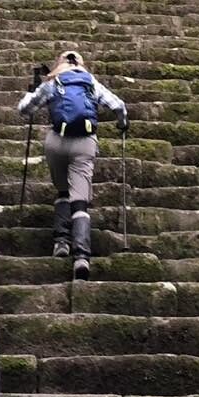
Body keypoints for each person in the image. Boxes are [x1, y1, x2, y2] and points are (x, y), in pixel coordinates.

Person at [17, 47, 128, 281]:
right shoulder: (90, 83)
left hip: (56, 141)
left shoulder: (52, 83)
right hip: (84, 142)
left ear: (59, 63)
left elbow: (24, 110)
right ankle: (81, 257)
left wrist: (32, 92)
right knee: (80, 199)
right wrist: (122, 124)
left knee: (63, 190)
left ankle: (60, 242)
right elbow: (119, 106)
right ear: (81, 64)